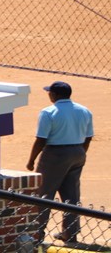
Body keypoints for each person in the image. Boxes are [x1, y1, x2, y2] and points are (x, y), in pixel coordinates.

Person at [26, 81, 94, 244]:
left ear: (55, 95)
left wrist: (31, 160)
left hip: (55, 154)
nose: (49, 95)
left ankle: (37, 234)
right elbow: (88, 136)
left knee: (44, 194)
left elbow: (41, 139)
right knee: (71, 194)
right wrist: (79, 153)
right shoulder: (84, 110)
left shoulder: (48, 112)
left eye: (50, 92)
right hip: (78, 152)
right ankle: (70, 234)